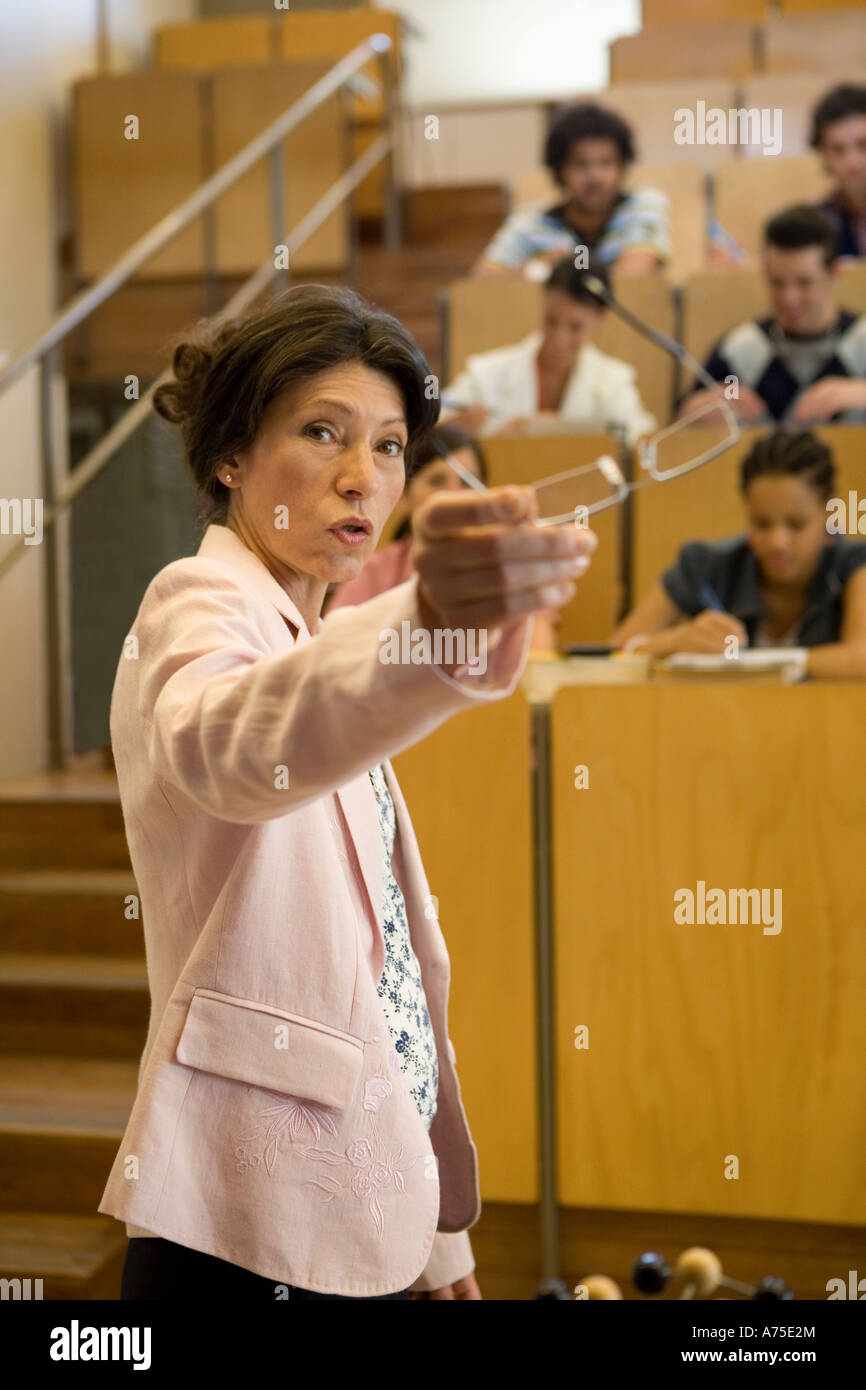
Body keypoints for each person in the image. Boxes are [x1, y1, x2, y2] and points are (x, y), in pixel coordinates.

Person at [98, 284, 595, 1300]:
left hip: (348, 1204)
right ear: (231, 455)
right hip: (242, 1222)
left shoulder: (310, 634)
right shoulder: (197, 602)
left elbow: (384, 977)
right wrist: (431, 619)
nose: (358, 477)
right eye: (321, 433)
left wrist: (431, 1237)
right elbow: (230, 743)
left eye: (386, 445)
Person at [609, 428, 866, 679]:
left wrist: (764, 664)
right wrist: (675, 642)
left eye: (796, 524)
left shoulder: (855, 564)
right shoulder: (703, 566)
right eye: (762, 524)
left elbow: (860, 659)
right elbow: (613, 656)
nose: (778, 542)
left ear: (830, 512)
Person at [327, 424, 562, 653]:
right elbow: (333, 654)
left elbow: (537, 662)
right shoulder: (373, 571)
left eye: (467, 483)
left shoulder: (511, 568)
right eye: (437, 481)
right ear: (403, 496)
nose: (454, 495)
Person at [679, 207, 866, 426]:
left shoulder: (861, 343)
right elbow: (684, 419)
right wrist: (707, 405)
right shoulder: (739, 350)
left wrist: (859, 393)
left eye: (804, 283)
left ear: (834, 274)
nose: (789, 298)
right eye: (777, 282)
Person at [443, 259, 656, 445]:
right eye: (551, 322)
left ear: (602, 319)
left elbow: (640, 440)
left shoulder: (614, 381)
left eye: (575, 328)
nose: (559, 340)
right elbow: (433, 427)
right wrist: (458, 429)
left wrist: (561, 430)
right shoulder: (487, 373)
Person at [472, 102, 670, 280]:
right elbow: (482, 284)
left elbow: (632, 279)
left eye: (606, 163)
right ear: (559, 171)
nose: (595, 178)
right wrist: (540, 268)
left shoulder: (643, 206)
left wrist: (561, 273)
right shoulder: (530, 222)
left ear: (622, 167)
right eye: (580, 165)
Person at [811, 83, 866, 261]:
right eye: (838, 149)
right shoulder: (815, 226)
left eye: (863, 145)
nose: (853, 162)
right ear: (823, 154)